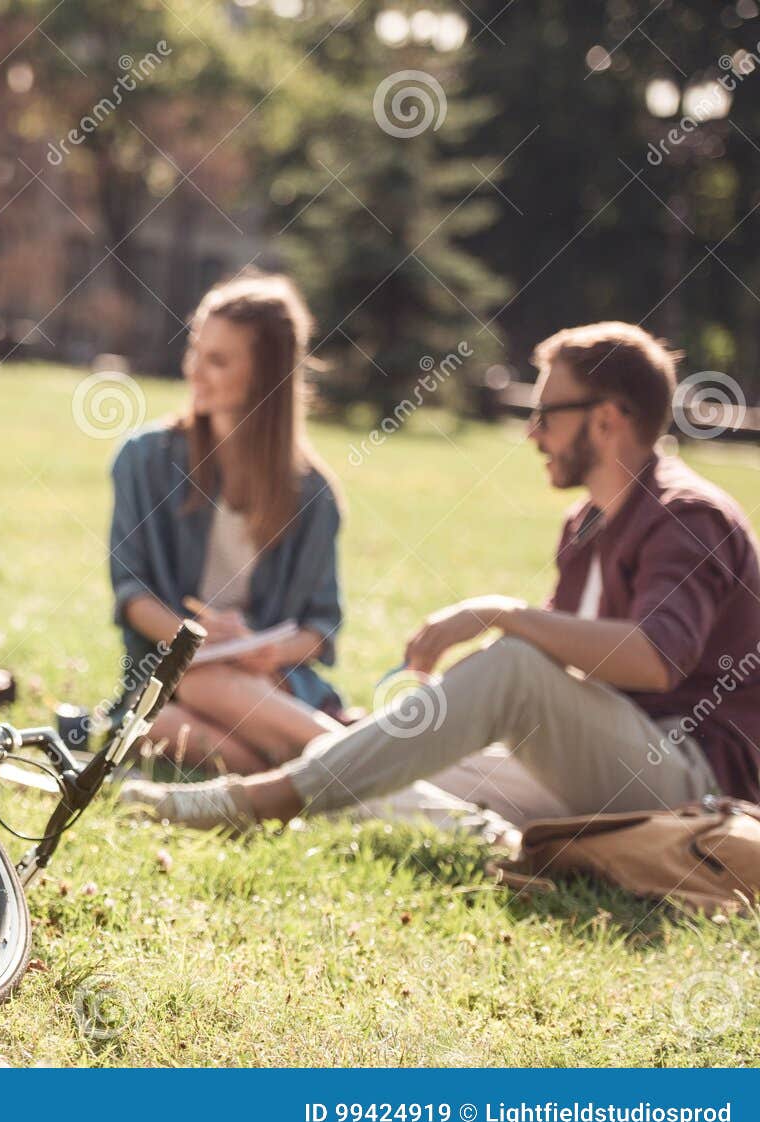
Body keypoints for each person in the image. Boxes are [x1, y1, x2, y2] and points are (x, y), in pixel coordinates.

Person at [122, 321, 760, 831]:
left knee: (509, 665)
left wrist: (498, 615)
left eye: (547, 414)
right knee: (392, 759)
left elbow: (654, 661)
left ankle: (251, 803)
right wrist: (452, 705)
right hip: (601, 765)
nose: (533, 433)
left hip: (690, 781)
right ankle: (465, 828)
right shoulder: (585, 524)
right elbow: (563, 674)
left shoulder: (688, 518)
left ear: (608, 418)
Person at [109, 272, 344, 773]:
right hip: (172, 675)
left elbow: (321, 626)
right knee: (161, 720)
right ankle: (336, 768)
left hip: (269, 680)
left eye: (218, 360)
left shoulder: (314, 496)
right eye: (196, 351)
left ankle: (331, 769)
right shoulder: (143, 460)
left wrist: (269, 652)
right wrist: (194, 639)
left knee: (195, 696)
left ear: (266, 375)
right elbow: (131, 593)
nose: (195, 370)